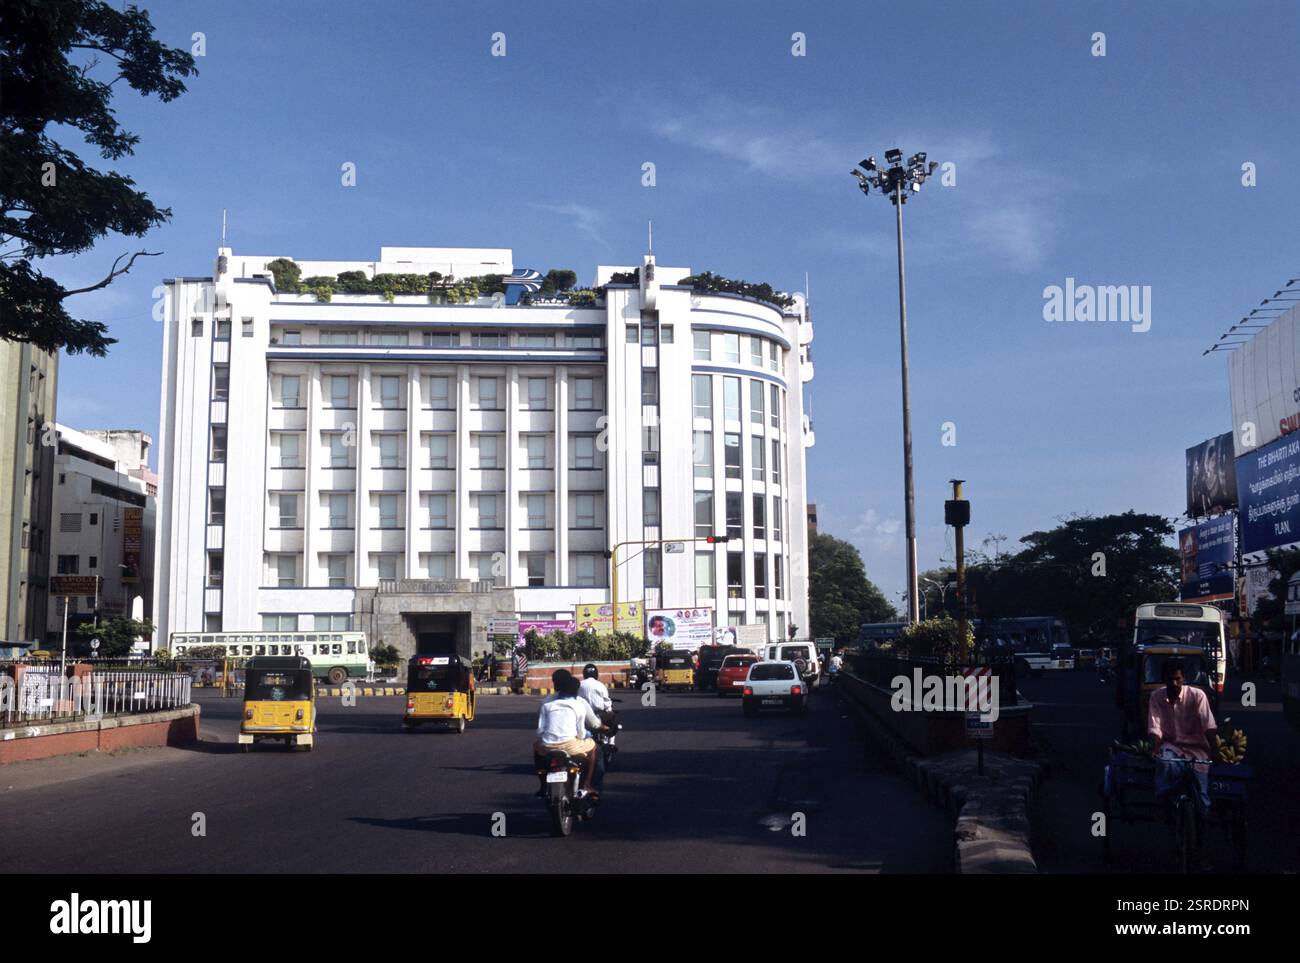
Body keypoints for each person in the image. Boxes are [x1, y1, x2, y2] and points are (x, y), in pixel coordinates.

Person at [1147, 659, 1217, 823]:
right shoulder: (1156, 697)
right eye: (1170, 680)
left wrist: (1214, 748)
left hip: (1197, 749)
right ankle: (1164, 805)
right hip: (1171, 748)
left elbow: (1208, 724)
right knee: (1164, 765)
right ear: (1164, 679)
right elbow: (1155, 727)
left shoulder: (1197, 696)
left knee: (1201, 794)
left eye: (1178, 679)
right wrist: (1154, 748)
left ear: (1183, 679)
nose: (1174, 683)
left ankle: (1202, 816)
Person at [535, 669, 606, 797]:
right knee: (595, 749)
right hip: (571, 745)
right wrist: (587, 735)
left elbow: (540, 731)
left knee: (536, 746)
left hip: (548, 746)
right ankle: (588, 784)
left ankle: (543, 784)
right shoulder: (579, 703)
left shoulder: (547, 703)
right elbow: (582, 732)